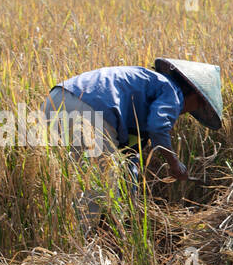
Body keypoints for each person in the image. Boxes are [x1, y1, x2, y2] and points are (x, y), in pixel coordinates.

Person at [40, 58, 222, 232]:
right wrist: (174, 164)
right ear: (195, 95)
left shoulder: (146, 89)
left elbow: (129, 158)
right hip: (90, 110)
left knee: (78, 181)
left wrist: (132, 201)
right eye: (197, 105)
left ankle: (74, 239)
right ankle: (87, 252)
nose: (188, 111)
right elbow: (158, 127)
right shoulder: (171, 91)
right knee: (100, 190)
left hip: (55, 99)